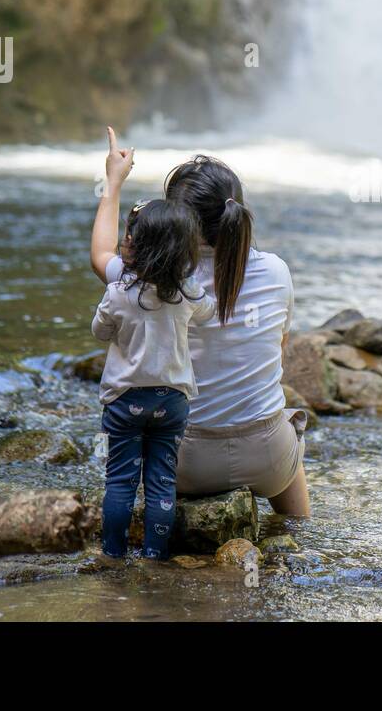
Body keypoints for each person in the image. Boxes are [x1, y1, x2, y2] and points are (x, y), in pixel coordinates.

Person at [94, 134, 310, 516]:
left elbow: (100, 255)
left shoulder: (154, 277)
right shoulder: (277, 271)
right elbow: (277, 351)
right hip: (267, 461)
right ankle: (297, 536)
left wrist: (113, 183)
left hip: (181, 462)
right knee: (286, 422)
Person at [89, 129, 215, 561]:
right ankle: (156, 558)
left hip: (125, 400)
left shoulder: (119, 289)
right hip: (173, 401)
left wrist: (114, 180)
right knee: (162, 480)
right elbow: (207, 314)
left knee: (120, 480)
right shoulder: (188, 292)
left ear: (134, 248)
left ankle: (112, 554)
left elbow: (100, 331)